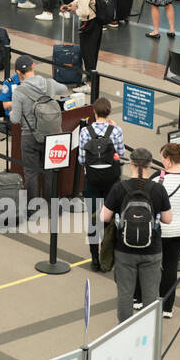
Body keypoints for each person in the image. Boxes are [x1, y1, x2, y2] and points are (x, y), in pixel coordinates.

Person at [101, 148, 173, 322]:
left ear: (131, 164)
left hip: (124, 250)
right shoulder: (158, 189)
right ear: (149, 166)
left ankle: (124, 330)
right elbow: (167, 219)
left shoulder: (119, 188)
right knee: (151, 294)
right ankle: (148, 331)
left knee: (125, 293)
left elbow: (104, 216)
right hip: (152, 250)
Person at [138, 144, 180, 319]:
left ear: (169, 159)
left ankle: (143, 300)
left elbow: (145, 198)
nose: (162, 161)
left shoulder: (158, 178)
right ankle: (167, 307)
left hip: (160, 229)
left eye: (163, 158)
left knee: (149, 264)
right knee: (170, 266)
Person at [8, 55, 68, 201]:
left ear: (17, 73)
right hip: (52, 135)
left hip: (30, 137)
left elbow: (15, 119)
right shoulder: (49, 84)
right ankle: (51, 205)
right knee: (50, 172)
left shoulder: (19, 92)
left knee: (31, 173)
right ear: (33, 66)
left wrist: (11, 112)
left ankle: (33, 209)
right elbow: (64, 89)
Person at [75, 98, 125, 271]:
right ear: (109, 112)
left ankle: (95, 259)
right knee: (110, 217)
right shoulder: (116, 131)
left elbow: (82, 159)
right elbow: (121, 154)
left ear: (94, 112)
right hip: (112, 182)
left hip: (92, 181)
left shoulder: (85, 132)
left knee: (93, 218)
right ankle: (107, 254)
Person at [63, 0, 103, 80]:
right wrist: (73, 4)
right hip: (98, 19)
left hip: (88, 21)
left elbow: (84, 11)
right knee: (94, 51)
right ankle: (92, 76)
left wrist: (73, 9)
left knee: (87, 52)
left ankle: (90, 83)